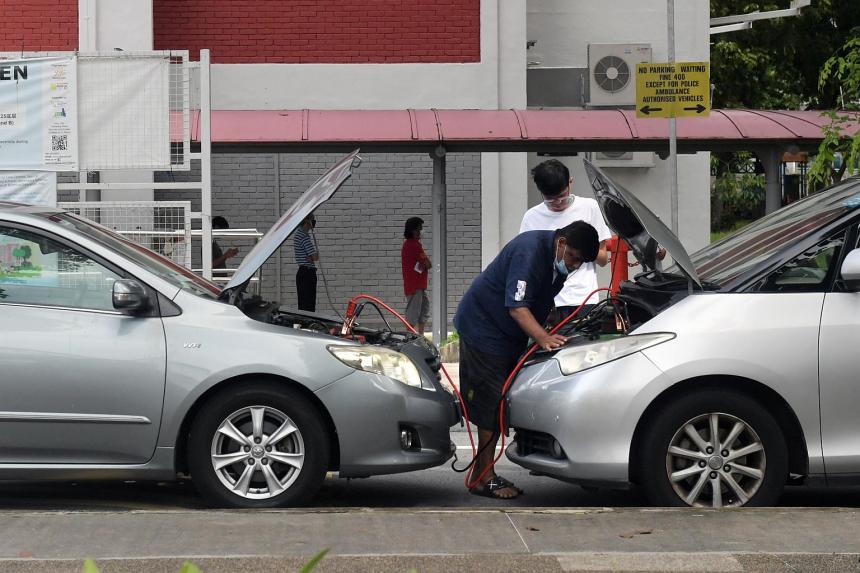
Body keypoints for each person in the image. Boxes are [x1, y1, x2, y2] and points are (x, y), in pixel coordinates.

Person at [453, 220, 599, 499]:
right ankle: (483, 477)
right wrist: (543, 337)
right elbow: (518, 307)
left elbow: (539, 296)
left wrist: (552, 322)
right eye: (573, 257)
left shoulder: (556, 258)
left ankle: (486, 471)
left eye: (580, 262)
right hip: (483, 328)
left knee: (504, 399)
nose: (574, 265)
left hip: (506, 333)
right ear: (562, 242)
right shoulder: (529, 251)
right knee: (491, 401)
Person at [520, 159, 611, 321]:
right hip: (546, 300)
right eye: (550, 199)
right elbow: (526, 262)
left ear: (570, 182)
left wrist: (581, 245)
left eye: (563, 197)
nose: (558, 203)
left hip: (582, 298)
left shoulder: (589, 207)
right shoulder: (531, 217)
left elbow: (603, 259)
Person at [401, 217, 432, 334]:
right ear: (413, 230)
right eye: (419, 229)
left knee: (423, 311)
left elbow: (427, 264)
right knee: (413, 314)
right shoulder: (413, 245)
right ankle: (411, 337)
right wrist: (425, 263)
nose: (421, 231)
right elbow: (428, 264)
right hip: (415, 286)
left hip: (418, 286)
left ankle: (420, 336)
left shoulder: (411, 245)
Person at [294, 214, 319, 312]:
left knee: (304, 303)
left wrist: (311, 257)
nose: (313, 222)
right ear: (307, 221)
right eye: (312, 220)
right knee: (308, 304)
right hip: (307, 273)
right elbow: (315, 257)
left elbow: (313, 257)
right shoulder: (303, 236)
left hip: (304, 272)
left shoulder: (299, 234)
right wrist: (312, 256)